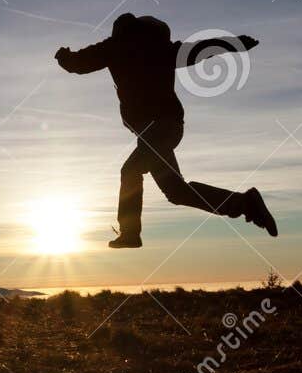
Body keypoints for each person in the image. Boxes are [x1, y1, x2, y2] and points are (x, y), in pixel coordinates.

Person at [55, 14, 277, 248]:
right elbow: (198, 50)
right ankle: (244, 204)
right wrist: (234, 43)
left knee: (130, 171)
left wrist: (63, 57)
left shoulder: (117, 47)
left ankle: (130, 233)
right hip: (165, 129)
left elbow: (80, 63)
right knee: (176, 192)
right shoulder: (160, 49)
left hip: (159, 130)